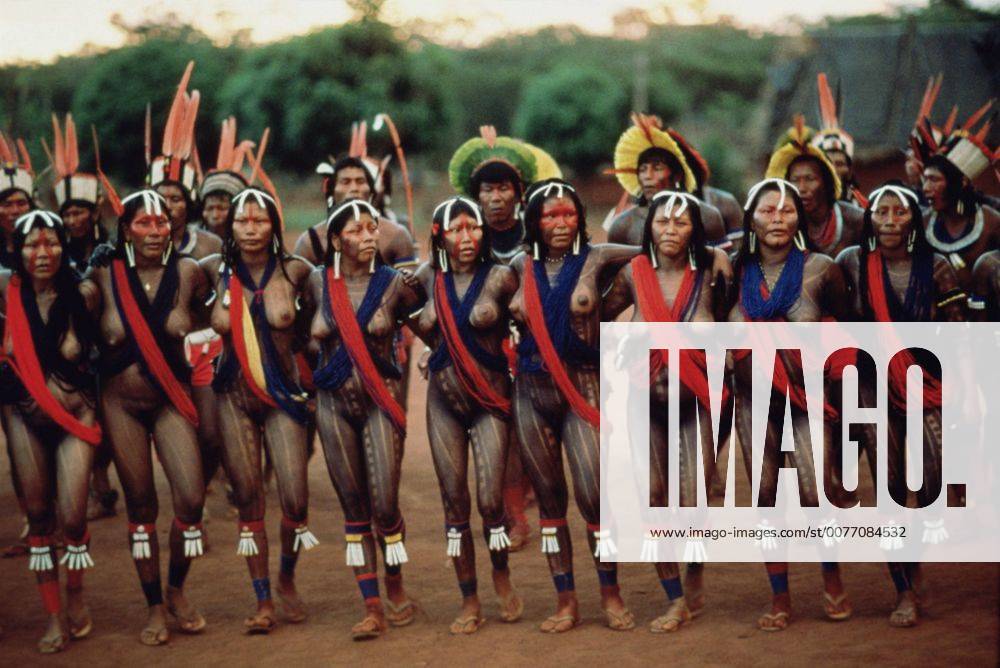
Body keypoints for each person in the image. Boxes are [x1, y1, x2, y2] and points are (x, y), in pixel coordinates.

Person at [509, 178, 638, 632]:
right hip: (529, 391)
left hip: (583, 387)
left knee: (593, 496)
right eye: (550, 216)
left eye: (568, 215)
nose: (560, 223)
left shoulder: (599, 258)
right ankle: (565, 600)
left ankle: (611, 594)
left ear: (580, 218)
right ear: (534, 221)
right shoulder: (514, 267)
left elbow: (653, 252)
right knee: (548, 502)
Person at [836, 182, 965, 627]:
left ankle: (914, 558)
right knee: (890, 487)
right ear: (868, 220)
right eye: (881, 213)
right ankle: (904, 588)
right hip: (872, 386)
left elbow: (958, 333)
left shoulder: (939, 267)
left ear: (915, 221)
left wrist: (968, 393)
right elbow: (832, 324)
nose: (889, 221)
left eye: (899, 213)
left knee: (930, 485)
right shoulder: (851, 263)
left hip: (928, 384)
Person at [604, 190, 732, 632]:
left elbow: (740, 319)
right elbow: (595, 321)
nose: (670, 231)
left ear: (695, 228)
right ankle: (674, 597)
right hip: (645, 401)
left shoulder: (712, 274)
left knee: (693, 500)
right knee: (654, 497)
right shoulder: (632, 275)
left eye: (681, 223)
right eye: (662, 222)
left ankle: (695, 563)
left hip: (698, 401)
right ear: (649, 227)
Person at [728, 178, 851, 631]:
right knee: (764, 494)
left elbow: (843, 333)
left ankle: (831, 578)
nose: (777, 219)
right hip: (752, 401)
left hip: (808, 397)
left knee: (814, 490)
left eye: (786, 211)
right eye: (766, 210)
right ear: (750, 218)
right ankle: (779, 597)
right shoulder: (731, 270)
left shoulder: (823, 269)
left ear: (801, 217)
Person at [90, 187, 208, 645]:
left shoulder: (190, 272)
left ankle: (177, 588)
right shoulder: (103, 274)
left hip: (171, 399)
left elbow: (225, 303)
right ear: (125, 229)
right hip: (120, 404)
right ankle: (154, 605)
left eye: (161, 223)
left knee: (191, 500)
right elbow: (67, 300)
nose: (155, 231)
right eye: (143, 223)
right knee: (140, 505)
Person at [202, 186, 317, 633]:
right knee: (249, 497)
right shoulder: (209, 273)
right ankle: (263, 599)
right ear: (228, 226)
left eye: (260, 221)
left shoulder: (297, 272)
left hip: (283, 397)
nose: (250, 229)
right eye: (241, 221)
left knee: (295, 496)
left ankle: (286, 575)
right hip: (232, 396)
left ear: (275, 225)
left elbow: (318, 329)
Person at [308, 198, 421, 639]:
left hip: (381, 402)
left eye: (373, 228)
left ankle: (395, 581)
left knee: (385, 503)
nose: (369, 236)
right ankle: (371, 603)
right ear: (336, 239)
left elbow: (436, 315)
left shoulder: (398, 285)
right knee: (354, 508)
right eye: (356, 230)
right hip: (332, 404)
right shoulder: (313, 282)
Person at [409, 196, 523, 634]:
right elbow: (386, 304)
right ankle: (470, 598)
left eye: (472, 228)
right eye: (455, 230)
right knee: (454, 502)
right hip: (444, 403)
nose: (466, 237)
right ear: (440, 235)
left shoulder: (501, 276)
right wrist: (427, 345)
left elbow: (530, 318)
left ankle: (501, 575)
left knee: (490, 500)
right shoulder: (424, 277)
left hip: (491, 403)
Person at [1, 210, 101, 652]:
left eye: (52, 244)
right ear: (17, 251)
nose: (43, 254)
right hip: (22, 414)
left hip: (77, 414)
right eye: (32, 246)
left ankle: (76, 593)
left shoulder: (85, 293)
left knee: (75, 515)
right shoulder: (4, 294)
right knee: (40, 515)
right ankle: (53, 614)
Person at [447, 126, 546, 550]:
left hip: (533, 346)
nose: (495, 197)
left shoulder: (536, 233)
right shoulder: (462, 237)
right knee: (498, 429)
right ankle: (511, 512)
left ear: (519, 193)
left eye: (504, 188)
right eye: (487, 189)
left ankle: (527, 501)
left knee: (526, 430)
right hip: (481, 350)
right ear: (476, 194)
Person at [49, 114, 119, 522]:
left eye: (80, 212)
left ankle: (103, 480)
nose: (74, 220)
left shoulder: (110, 247)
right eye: (68, 214)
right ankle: (96, 487)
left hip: (105, 346)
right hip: (68, 347)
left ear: (94, 213)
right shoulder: (54, 252)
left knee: (108, 419)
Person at [606, 113, 728, 249]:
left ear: (677, 175)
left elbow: (722, 266)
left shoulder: (707, 217)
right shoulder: (623, 225)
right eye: (642, 169)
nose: (647, 175)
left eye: (657, 168)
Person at [915, 101, 1000, 292]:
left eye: (934, 180)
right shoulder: (922, 222)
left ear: (960, 182)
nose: (926, 188)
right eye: (925, 180)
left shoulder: (991, 222)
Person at [147, 62, 222, 261]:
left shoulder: (211, 245)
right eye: (162, 199)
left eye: (176, 199)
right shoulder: (135, 244)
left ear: (188, 204)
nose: (168, 206)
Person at [765, 116, 864, 259]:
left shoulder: (856, 220)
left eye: (810, 179)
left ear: (826, 182)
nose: (802, 188)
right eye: (795, 180)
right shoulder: (779, 224)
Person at [811, 73, 865, 206]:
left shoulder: (862, 209)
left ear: (849, 170)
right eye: (828, 163)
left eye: (840, 164)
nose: (833, 169)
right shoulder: (802, 207)